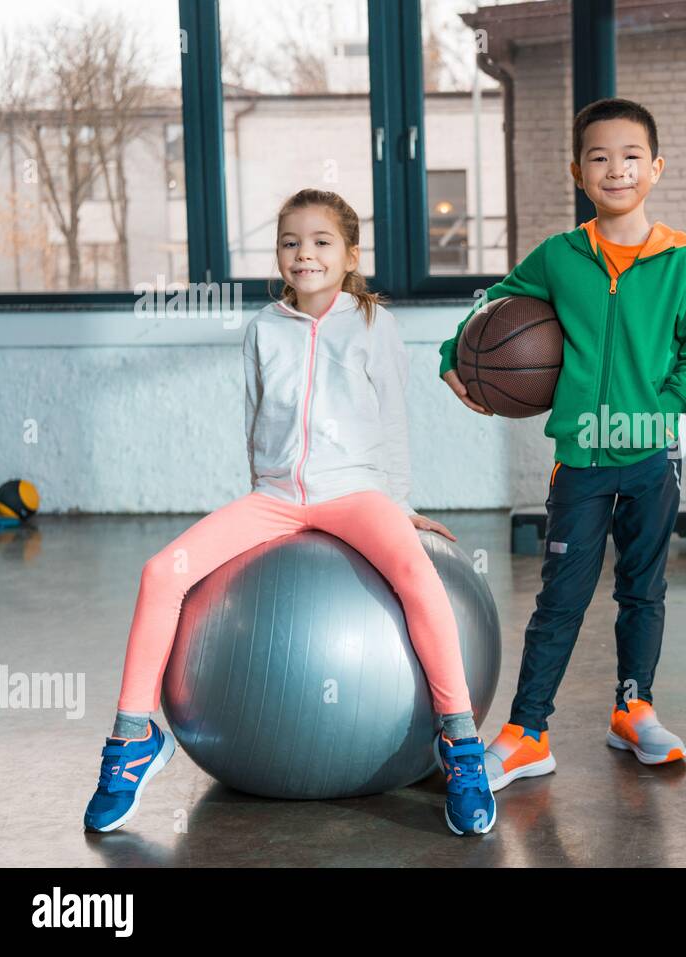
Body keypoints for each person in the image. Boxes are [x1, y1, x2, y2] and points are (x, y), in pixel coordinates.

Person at [84, 189, 495, 837]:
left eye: (321, 241)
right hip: (275, 500)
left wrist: (401, 504)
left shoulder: (374, 324)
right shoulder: (261, 328)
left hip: (356, 494)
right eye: (290, 242)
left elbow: (392, 422)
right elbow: (257, 424)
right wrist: (258, 515)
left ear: (351, 255)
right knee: (162, 571)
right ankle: (131, 741)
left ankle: (462, 744)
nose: (304, 253)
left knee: (418, 577)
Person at [439, 98, 686, 790]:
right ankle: (528, 729)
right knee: (561, 596)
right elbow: (489, 309)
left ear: (655, 168)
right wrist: (455, 355)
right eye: (599, 157)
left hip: (654, 457)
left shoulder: (685, 260)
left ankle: (634, 708)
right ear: (578, 171)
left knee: (643, 590)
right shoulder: (560, 258)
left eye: (631, 156)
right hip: (581, 463)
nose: (616, 169)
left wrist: (668, 401)